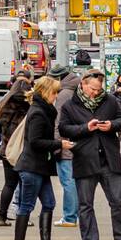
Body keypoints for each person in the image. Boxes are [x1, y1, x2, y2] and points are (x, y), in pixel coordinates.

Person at [58, 70, 121, 240]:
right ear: (83, 84)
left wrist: (112, 125)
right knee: (85, 205)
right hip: (85, 159)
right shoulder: (70, 105)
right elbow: (63, 129)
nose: (96, 93)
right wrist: (85, 128)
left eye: (99, 90)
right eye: (93, 89)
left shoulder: (110, 100)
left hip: (109, 159)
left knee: (118, 201)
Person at [12, 75, 72, 240]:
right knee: (27, 206)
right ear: (46, 92)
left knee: (49, 203)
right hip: (32, 166)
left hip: (39, 167)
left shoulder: (42, 110)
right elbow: (35, 141)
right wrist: (59, 144)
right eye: (54, 92)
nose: (56, 96)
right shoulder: (38, 112)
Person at [0, 70, 33, 228]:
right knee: (24, 184)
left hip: (7, 149)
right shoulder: (27, 106)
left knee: (9, 184)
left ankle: (2, 216)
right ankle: (23, 217)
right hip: (23, 150)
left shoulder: (4, 104)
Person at [49, 64, 81, 230]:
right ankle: (76, 214)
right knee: (74, 181)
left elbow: (58, 122)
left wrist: (56, 145)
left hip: (66, 143)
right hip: (78, 141)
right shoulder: (77, 88)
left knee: (68, 181)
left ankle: (70, 216)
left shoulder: (64, 94)